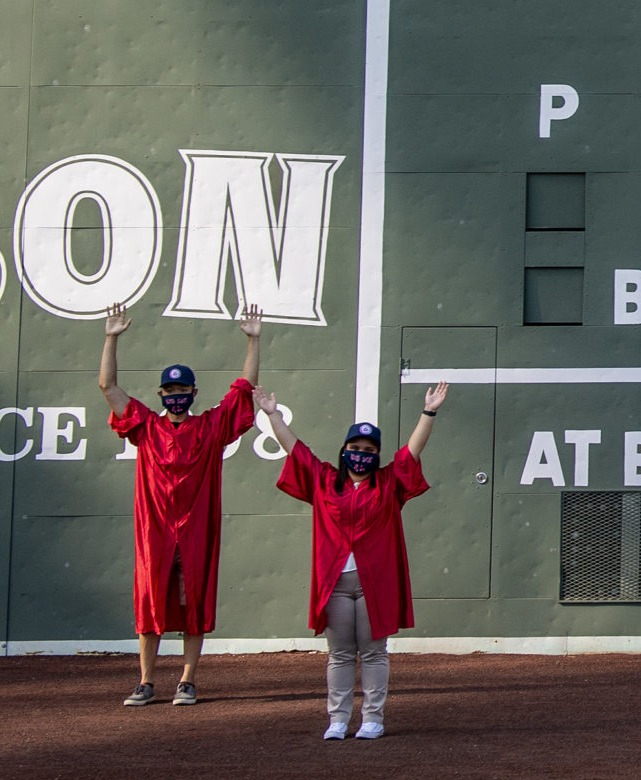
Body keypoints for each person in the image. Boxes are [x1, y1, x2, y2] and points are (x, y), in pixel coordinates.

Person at [256, 382, 445, 739]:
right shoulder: (325, 480)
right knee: (340, 655)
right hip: (336, 584)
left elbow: (412, 452)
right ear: (344, 450)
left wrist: (428, 412)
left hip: (374, 583)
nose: (361, 454)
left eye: (369, 449)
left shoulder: (389, 483)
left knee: (373, 653)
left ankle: (373, 719)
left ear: (377, 454)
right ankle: (338, 720)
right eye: (355, 448)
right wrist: (272, 415)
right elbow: (295, 450)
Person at [99, 300, 263, 706]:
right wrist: (110, 338)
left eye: (182, 390)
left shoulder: (209, 427)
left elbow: (243, 393)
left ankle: (188, 680)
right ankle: (146, 681)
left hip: (194, 529)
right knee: (149, 600)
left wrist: (253, 342)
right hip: (154, 531)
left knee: (194, 602)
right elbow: (108, 387)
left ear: (193, 392)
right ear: (161, 394)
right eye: (169, 390)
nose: (176, 396)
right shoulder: (146, 428)